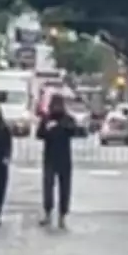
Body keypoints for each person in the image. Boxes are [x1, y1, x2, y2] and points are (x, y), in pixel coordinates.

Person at [36, 94, 76, 229]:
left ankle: (62, 216)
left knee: (64, 188)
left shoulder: (68, 119)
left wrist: (59, 126)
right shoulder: (46, 119)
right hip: (50, 158)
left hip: (64, 158)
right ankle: (48, 213)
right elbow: (39, 134)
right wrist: (47, 128)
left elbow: (74, 131)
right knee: (48, 187)